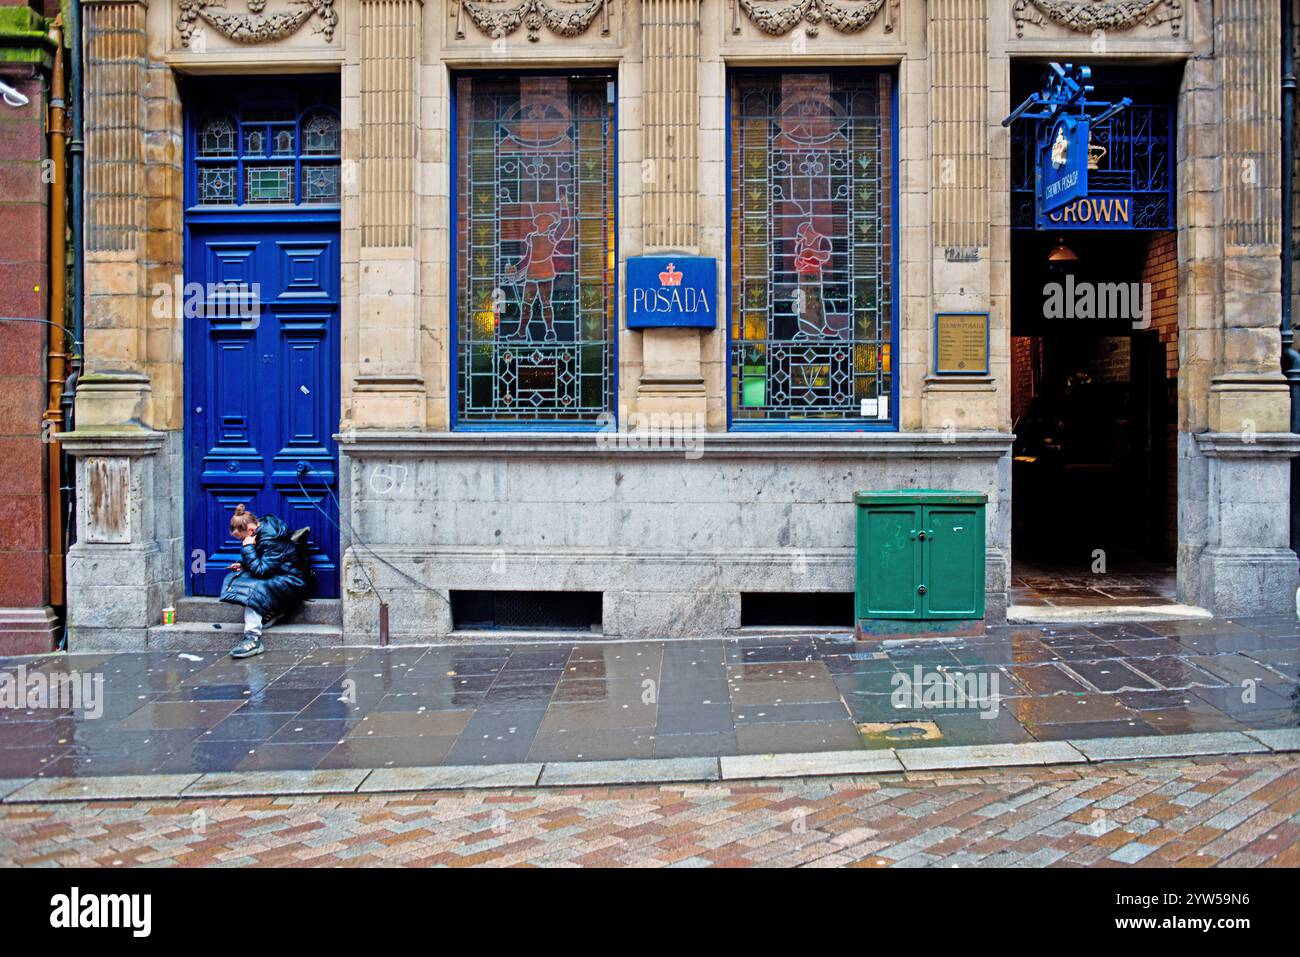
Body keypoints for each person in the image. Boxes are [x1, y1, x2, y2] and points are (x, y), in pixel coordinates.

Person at [219, 504, 309, 659]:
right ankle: (272, 610)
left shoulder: (271, 539)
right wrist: (243, 563)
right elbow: (266, 560)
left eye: (241, 538)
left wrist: (247, 548)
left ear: (251, 530)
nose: (242, 542)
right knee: (240, 577)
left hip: (292, 583)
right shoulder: (261, 530)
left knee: (254, 588)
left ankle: (252, 638)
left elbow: (262, 571)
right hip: (280, 577)